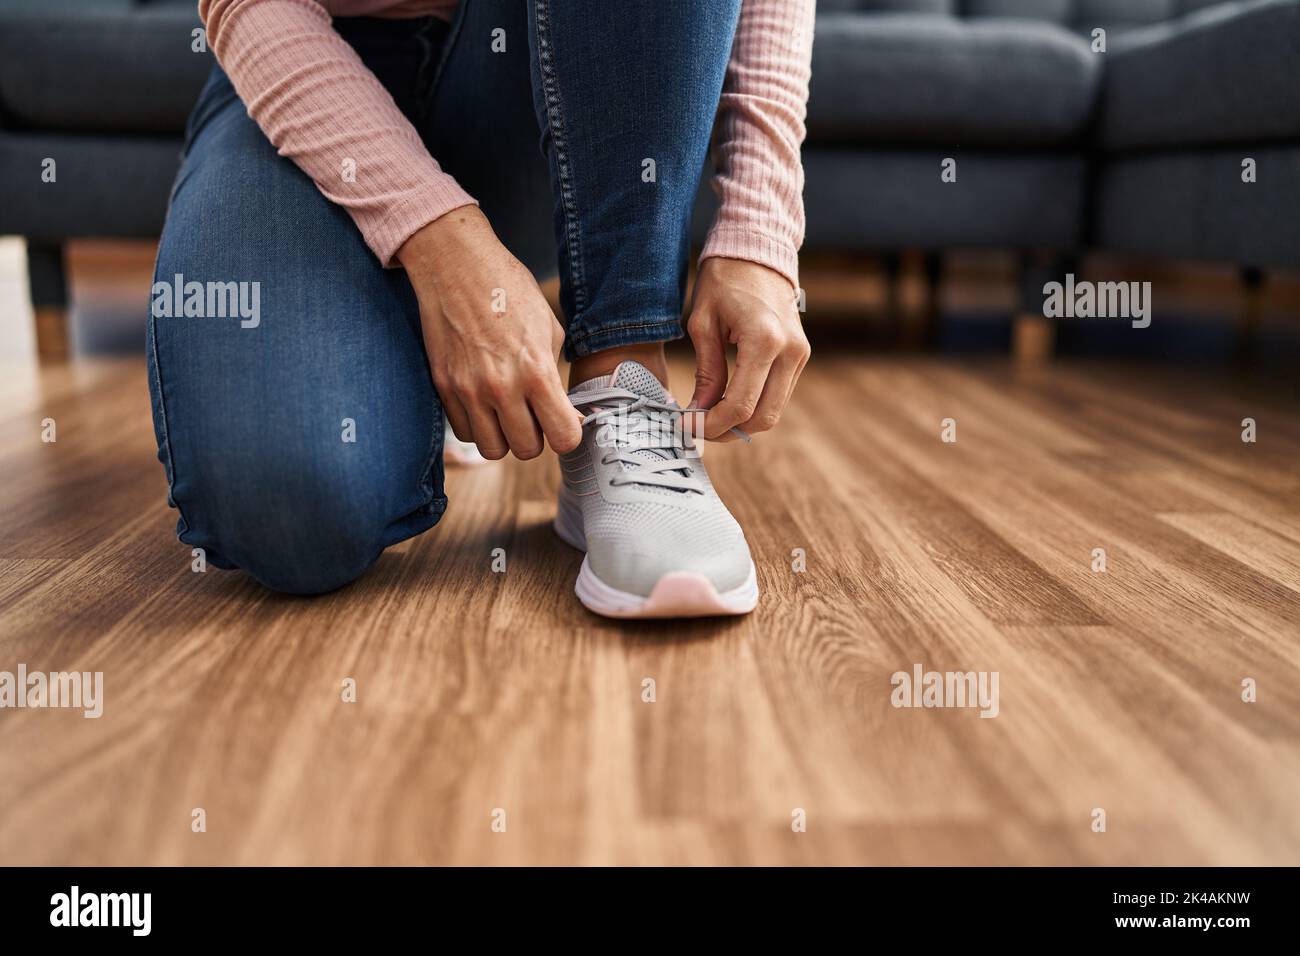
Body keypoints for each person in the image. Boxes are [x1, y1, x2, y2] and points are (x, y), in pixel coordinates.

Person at [147, 0, 813, 617]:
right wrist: (437, 243)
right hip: (305, 66)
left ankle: (621, 393)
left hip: (556, 76)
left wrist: (760, 227)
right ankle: (410, 345)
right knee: (289, 513)